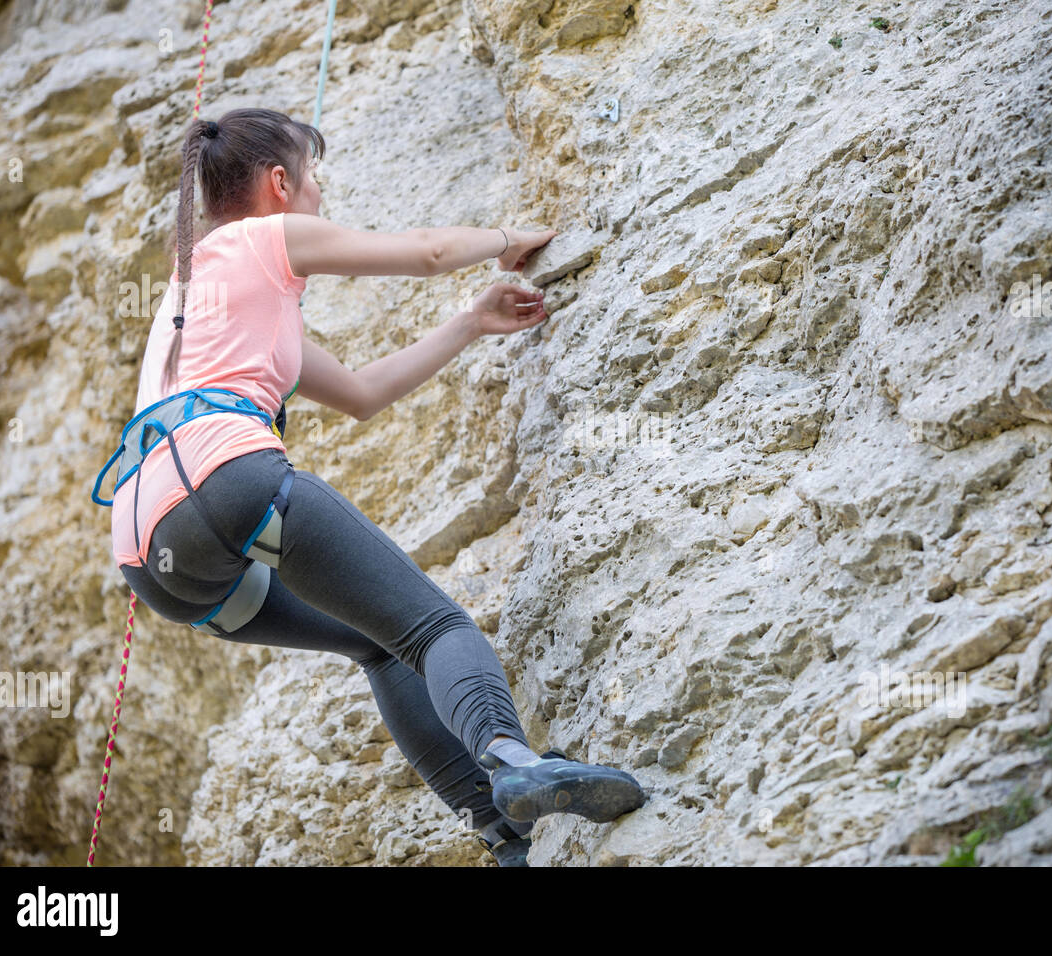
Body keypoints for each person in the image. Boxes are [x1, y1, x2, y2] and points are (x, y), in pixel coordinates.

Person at [99, 107, 646, 867]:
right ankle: (515, 766)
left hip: (153, 556)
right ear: (280, 183)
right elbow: (426, 251)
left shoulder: (190, 300)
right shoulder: (264, 237)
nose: (321, 196)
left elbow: (361, 394)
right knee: (435, 630)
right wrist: (506, 241)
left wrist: (468, 324)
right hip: (225, 476)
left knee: (382, 646)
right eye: (315, 179)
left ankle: (504, 837)